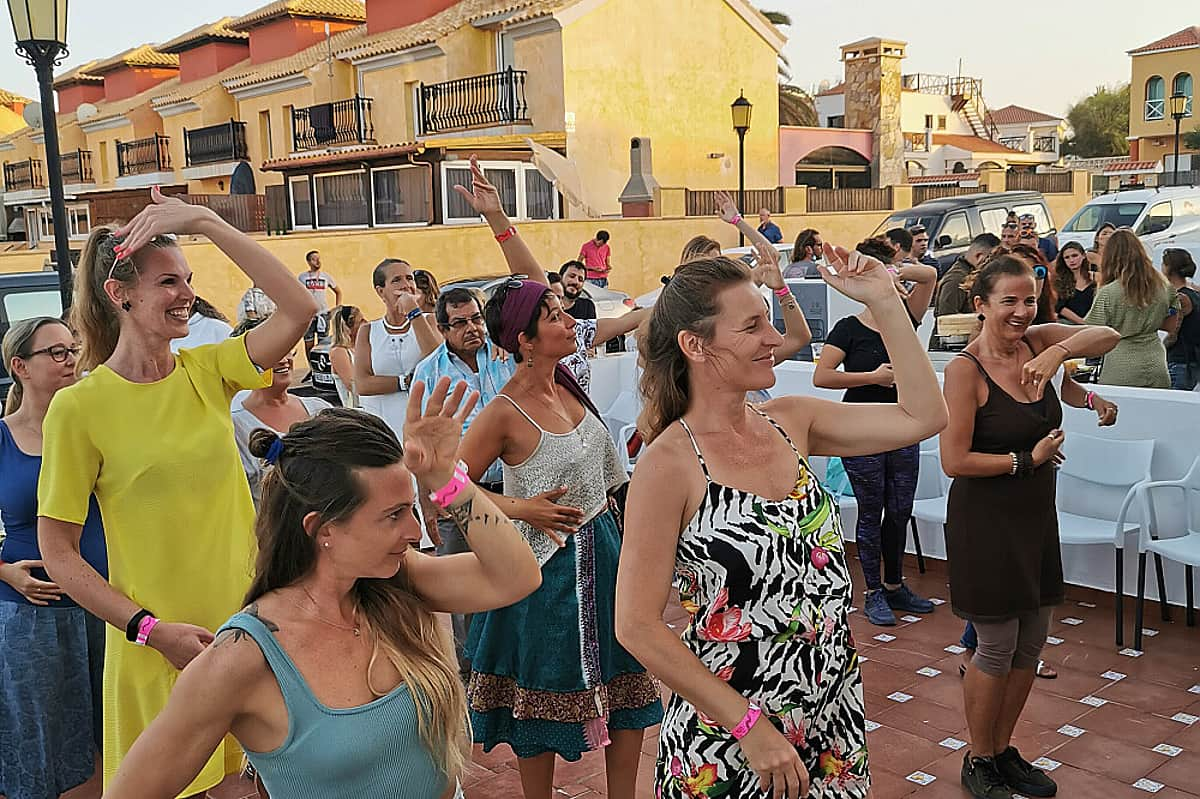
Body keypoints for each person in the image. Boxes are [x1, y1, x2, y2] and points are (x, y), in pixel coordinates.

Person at [616, 244, 947, 799]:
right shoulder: (668, 463)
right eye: (751, 326)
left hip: (829, 712)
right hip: (729, 734)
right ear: (695, 346)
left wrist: (886, 302)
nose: (774, 338)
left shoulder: (792, 422)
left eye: (768, 320)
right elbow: (637, 626)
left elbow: (925, 415)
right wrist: (749, 727)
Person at [102, 384, 545, 799]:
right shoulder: (241, 659)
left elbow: (516, 576)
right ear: (322, 530)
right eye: (392, 516)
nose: (414, 532)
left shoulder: (393, 583)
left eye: (412, 509)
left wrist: (446, 478)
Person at [37, 186, 318, 795]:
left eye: (187, 279)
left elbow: (298, 308)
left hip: (247, 633)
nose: (187, 294)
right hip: (154, 649)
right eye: (168, 282)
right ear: (121, 294)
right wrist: (148, 630)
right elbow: (59, 552)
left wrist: (206, 222)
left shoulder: (208, 370)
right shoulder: (79, 408)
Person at [449, 157, 662, 798]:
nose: (568, 316)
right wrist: (520, 512)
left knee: (630, 695)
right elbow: (447, 489)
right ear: (523, 339)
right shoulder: (503, 412)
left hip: (605, 552)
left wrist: (495, 215)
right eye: (554, 314)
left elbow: (529, 283)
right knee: (537, 713)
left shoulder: (565, 375)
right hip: (540, 572)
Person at [940, 254, 1119, 799]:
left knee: (1031, 643)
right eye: (1008, 302)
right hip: (986, 523)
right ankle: (978, 759)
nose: (1021, 312)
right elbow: (954, 460)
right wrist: (1027, 459)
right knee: (996, 645)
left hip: (1036, 519)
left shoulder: (1038, 345)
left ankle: (1002, 750)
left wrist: (1083, 389)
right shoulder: (965, 371)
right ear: (980, 305)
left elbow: (1107, 334)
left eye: (1030, 300)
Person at [1, 318, 108, 799]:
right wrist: (4, 571)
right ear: (19, 366)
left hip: (112, 606)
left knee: (117, 736)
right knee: (46, 748)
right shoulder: (3, 440)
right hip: (35, 616)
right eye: (57, 353)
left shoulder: (98, 425)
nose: (71, 361)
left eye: (73, 349)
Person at [813, 239, 939, 627]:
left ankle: (895, 584)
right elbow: (823, 376)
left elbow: (931, 275)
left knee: (899, 510)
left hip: (903, 426)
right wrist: (873, 376)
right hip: (861, 428)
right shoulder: (848, 329)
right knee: (871, 511)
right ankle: (872, 593)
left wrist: (893, 272)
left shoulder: (904, 318)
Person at [412, 286, 516, 675]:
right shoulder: (429, 374)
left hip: (514, 488)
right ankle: (472, 676)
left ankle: (513, 673)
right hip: (459, 496)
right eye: (461, 323)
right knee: (463, 586)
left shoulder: (507, 356)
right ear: (442, 328)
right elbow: (421, 447)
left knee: (520, 576)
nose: (473, 328)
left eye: (476, 318)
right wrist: (428, 506)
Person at [230, 317, 331, 509]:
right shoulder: (235, 428)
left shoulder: (320, 409)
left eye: (287, 349)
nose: (284, 359)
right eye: (273, 352)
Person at [354, 258, 442, 438]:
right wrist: (405, 381)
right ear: (381, 291)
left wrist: (413, 313)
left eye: (409, 279)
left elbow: (437, 362)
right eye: (396, 280)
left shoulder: (429, 321)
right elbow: (363, 384)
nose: (406, 285)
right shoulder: (368, 331)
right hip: (385, 430)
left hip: (426, 427)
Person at [1084, 229, 1180, 388]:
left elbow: (1092, 335)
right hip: (1155, 361)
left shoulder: (1108, 293)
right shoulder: (1164, 286)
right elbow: (1171, 325)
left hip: (1120, 364)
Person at [936, 233, 1001, 317]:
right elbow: (947, 319)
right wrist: (984, 318)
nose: (993, 264)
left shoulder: (971, 274)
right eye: (991, 259)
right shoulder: (956, 280)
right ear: (979, 256)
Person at [1163, 248, 1200, 390]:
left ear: (1169, 268)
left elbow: (1173, 332)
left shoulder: (1180, 298)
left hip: (1180, 362)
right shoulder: (1194, 293)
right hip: (1192, 360)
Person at [298, 250, 342, 354]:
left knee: (323, 344)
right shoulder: (302, 277)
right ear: (308, 262)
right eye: (314, 259)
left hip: (323, 314)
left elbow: (338, 292)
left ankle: (322, 368)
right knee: (309, 344)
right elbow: (298, 295)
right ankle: (311, 368)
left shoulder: (325, 276)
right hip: (309, 316)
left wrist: (337, 308)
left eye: (319, 258)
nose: (318, 261)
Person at [329, 304, 364, 408]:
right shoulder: (339, 352)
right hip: (357, 410)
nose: (366, 323)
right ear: (350, 325)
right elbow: (353, 385)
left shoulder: (360, 348)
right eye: (361, 321)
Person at [1052, 242, 1095, 324]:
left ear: (1083, 256)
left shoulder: (1095, 277)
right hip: (1067, 323)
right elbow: (1060, 307)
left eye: (1075, 256)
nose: (1071, 260)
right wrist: (1083, 323)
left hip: (1094, 321)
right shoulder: (1059, 281)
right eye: (1067, 257)